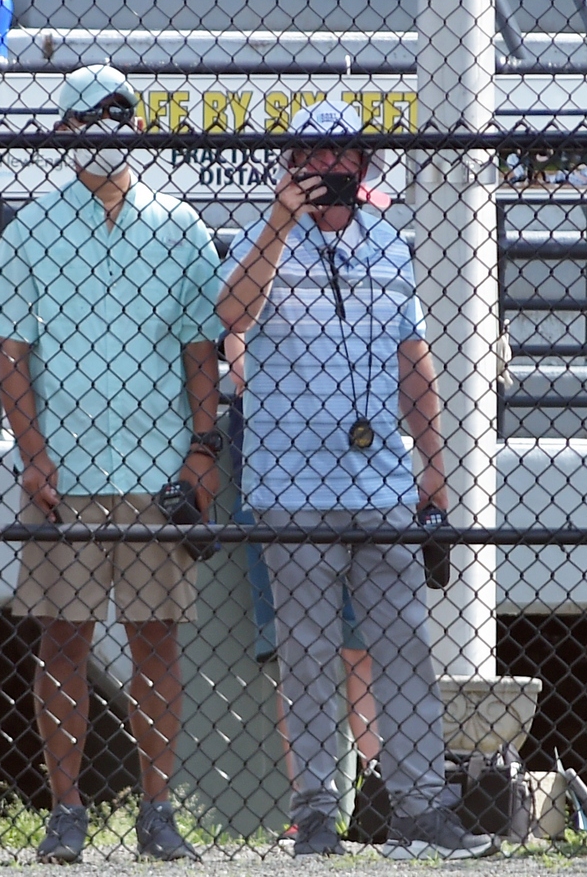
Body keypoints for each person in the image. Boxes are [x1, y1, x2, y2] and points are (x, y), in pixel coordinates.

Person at [217, 99, 499, 860]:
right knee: (306, 653)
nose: (332, 167)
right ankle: (315, 815)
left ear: (366, 165)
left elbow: (414, 356)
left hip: (380, 483)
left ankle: (419, 812)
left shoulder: (387, 245)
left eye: (345, 155)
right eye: (315, 155)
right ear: (291, 164)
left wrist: (434, 462)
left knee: (404, 643)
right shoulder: (259, 238)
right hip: (288, 485)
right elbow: (231, 315)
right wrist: (281, 221)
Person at [0, 64, 222, 863]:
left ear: (137, 129)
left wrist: (201, 449)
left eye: (120, 116)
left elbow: (201, 354)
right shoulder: (32, 229)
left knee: (157, 643)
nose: (108, 132)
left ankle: (157, 811)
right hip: (64, 480)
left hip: (157, 475)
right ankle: (67, 809)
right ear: (65, 134)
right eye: (92, 119)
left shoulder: (181, 228)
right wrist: (33, 457)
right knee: (63, 643)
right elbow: (9, 353)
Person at [224, 331, 380, 841]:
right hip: (276, 464)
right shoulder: (256, 264)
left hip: (351, 463)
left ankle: (380, 798)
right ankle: (312, 811)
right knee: (298, 646)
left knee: (362, 646)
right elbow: (239, 352)